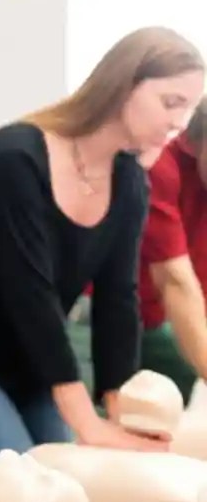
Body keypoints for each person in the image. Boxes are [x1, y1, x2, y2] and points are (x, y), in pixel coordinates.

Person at [0, 26, 204, 500]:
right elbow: (29, 295)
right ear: (124, 86)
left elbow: (118, 299)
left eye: (188, 108)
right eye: (170, 102)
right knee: (29, 487)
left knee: (69, 483)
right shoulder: (14, 160)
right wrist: (86, 424)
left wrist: (117, 414)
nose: (179, 122)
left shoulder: (129, 182)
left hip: (26, 361)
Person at [73, 102, 207, 402]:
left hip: (152, 320)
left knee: (180, 394)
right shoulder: (158, 165)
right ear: (195, 142)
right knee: (84, 415)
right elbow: (174, 281)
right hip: (92, 311)